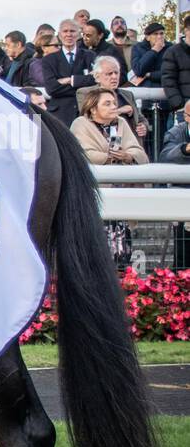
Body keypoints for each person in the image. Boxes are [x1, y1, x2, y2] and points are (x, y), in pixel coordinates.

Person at [71, 88, 146, 271]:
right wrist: (111, 156)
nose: (114, 107)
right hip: (94, 197)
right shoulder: (80, 124)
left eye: (114, 103)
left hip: (121, 196)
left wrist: (127, 156)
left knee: (122, 248)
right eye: (107, 103)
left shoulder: (121, 123)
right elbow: (84, 154)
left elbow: (139, 153)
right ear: (92, 108)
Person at [77, 56, 149, 144]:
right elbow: (88, 117)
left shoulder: (128, 95)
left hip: (130, 144)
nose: (114, 77)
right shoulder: (86, 93)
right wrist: (121, 110)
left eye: (116, 73)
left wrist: (143, 126)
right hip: (103, 144)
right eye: (109, 74)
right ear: (97, 77)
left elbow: (140, 118)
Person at [41, 19, 95, 121]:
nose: (69, 34)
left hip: (84, 111)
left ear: (79, 34)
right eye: (65, 31)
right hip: (60, 114)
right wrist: (82, 81)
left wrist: (70, 80)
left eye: (72, 31)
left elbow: (94, 81)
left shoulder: (89, 56)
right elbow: (51, 88)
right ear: (60, 35)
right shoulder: (48, 60)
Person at [160, 12, 190, 120]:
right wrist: (180, 105)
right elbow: (168, 81)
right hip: (183, 112)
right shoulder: (173, 52)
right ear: (186, 30)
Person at [130, 21, 166, 86]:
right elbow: (138, 70)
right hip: (144, 90)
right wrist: (154, 51)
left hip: (164, 88)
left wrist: (149, 75)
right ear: (147, 37)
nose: (159, 36)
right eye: (155, 34)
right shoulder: (138, 48)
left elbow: (171, 72)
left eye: (161, 33)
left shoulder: (170, 48)